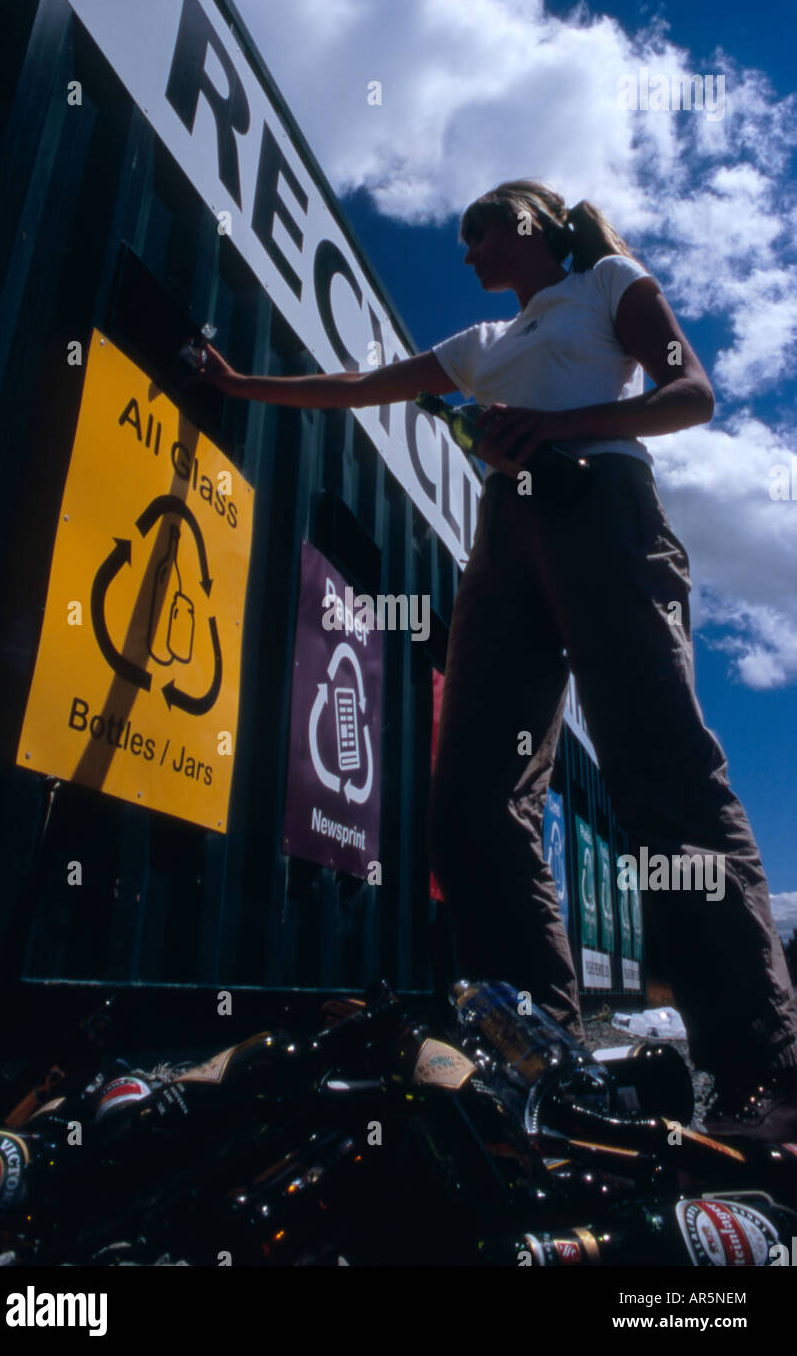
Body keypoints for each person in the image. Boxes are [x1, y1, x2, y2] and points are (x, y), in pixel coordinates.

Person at [195, 179, 797, 1141]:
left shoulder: (607, 282)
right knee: (473, 792)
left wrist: (557, 427)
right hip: (506, 538)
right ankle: (532, 1053)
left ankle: (760, 1073)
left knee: (659, 769)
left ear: (530, 221)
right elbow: (362, 385)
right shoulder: (478, 351)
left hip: (603, 504)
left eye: (479, 233)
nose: (469, 255)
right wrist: (243, 386)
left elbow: (693, 394)